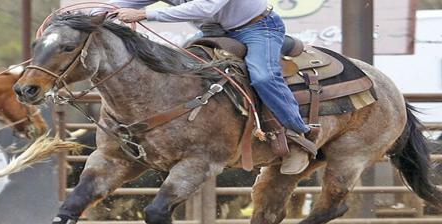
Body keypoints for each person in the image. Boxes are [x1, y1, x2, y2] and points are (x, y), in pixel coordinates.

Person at [113, 0, 319, 175]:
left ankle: (299, 135)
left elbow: (206, 7)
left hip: (257, 28)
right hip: (213, 32)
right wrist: (94, 14)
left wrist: (145, 14)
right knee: (182, 74)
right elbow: (124, 3)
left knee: (264, 77)